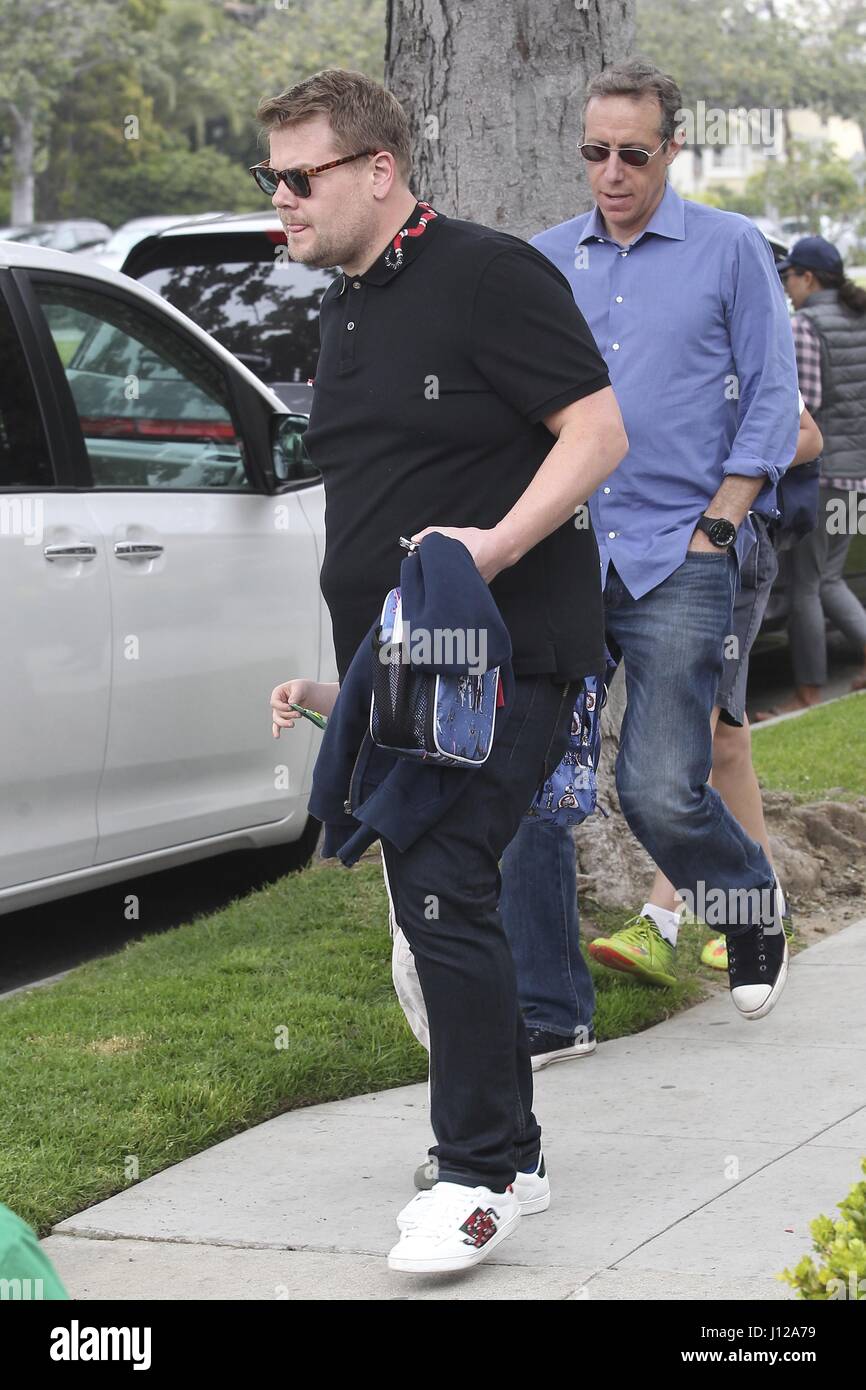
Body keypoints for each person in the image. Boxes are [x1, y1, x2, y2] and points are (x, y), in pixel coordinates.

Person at [261, 68, 628, 1275]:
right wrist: (342, 683)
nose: (281, 201)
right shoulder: (347, 306)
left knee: (439, 878)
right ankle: (507, 1146)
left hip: (505, 651)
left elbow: (598, 431)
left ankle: (474, 1176)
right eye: (272, 179)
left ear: (377, 169)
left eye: (299, 177)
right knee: (435, 892)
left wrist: (495, 544)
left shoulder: (485, 273)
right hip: (404, 668)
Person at [500, 58, 800, 1048]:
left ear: (672, 147)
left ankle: (748, 907)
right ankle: (550, 1012)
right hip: (564, 560)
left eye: (633, 152)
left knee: (657, 785)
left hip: (679, 554)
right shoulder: (544, 261)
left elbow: (767, 398)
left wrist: (720, 522)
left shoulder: (727, 251)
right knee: (534, 791)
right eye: (595, 152)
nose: (612, 171)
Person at [588, 399, 823, 986]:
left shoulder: (738, 326)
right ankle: (766, 904)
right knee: (724, 740)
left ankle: (661, 920)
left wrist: (724, 481)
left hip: (727, 552)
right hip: (657, 552)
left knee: (688, 737)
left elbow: (808, 437)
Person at [756, 236, 866, 718]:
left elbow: (805, 410)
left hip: (824, 475)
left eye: (789, 278)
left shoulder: (806, 326)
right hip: (858, 476)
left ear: (807, 277)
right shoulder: (859, 319)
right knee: (830, 580)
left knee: (806, 585)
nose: (786, 289)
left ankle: (808, 694)